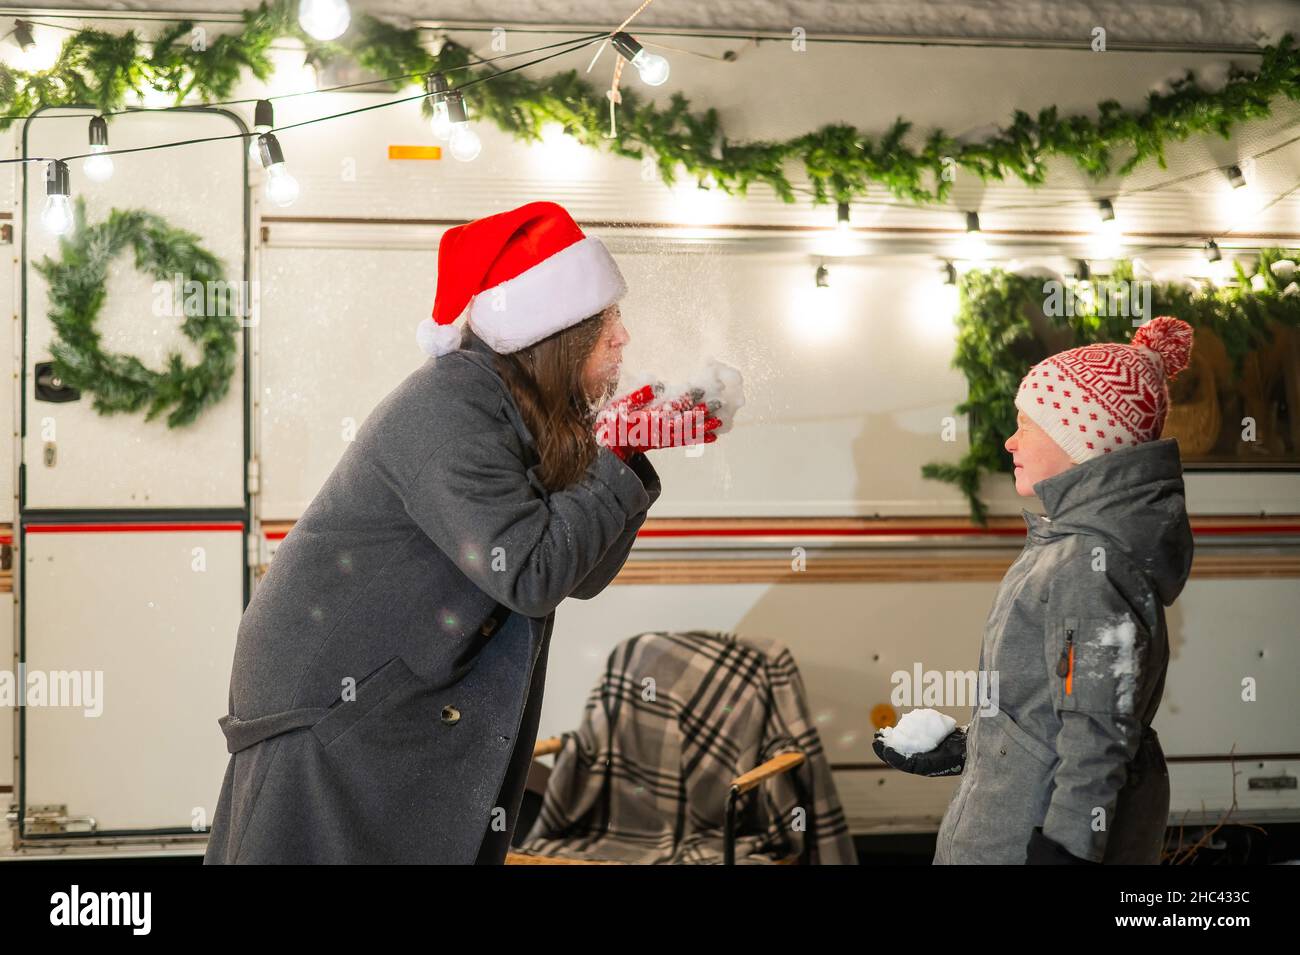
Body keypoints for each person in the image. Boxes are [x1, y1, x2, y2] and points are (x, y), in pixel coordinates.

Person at [204, 201, 723, 864]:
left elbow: (578, 574)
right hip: (334, 719)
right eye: (605, 321)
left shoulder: (520, 407)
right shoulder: (452, 408)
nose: (622, 337)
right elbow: (530, 571)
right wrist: (613, 456)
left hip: (385, 706)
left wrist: (616, 454)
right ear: (554, 332)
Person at [874, 316, 1195, 864]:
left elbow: (1097, 736)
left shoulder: (1089, 564)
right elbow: (1055, 716)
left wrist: (1066, 854)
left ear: (1080, 438)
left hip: (1024, 847)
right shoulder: (1069, 546)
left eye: (1027, 425)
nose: (1010, 439)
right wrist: (971, 749)